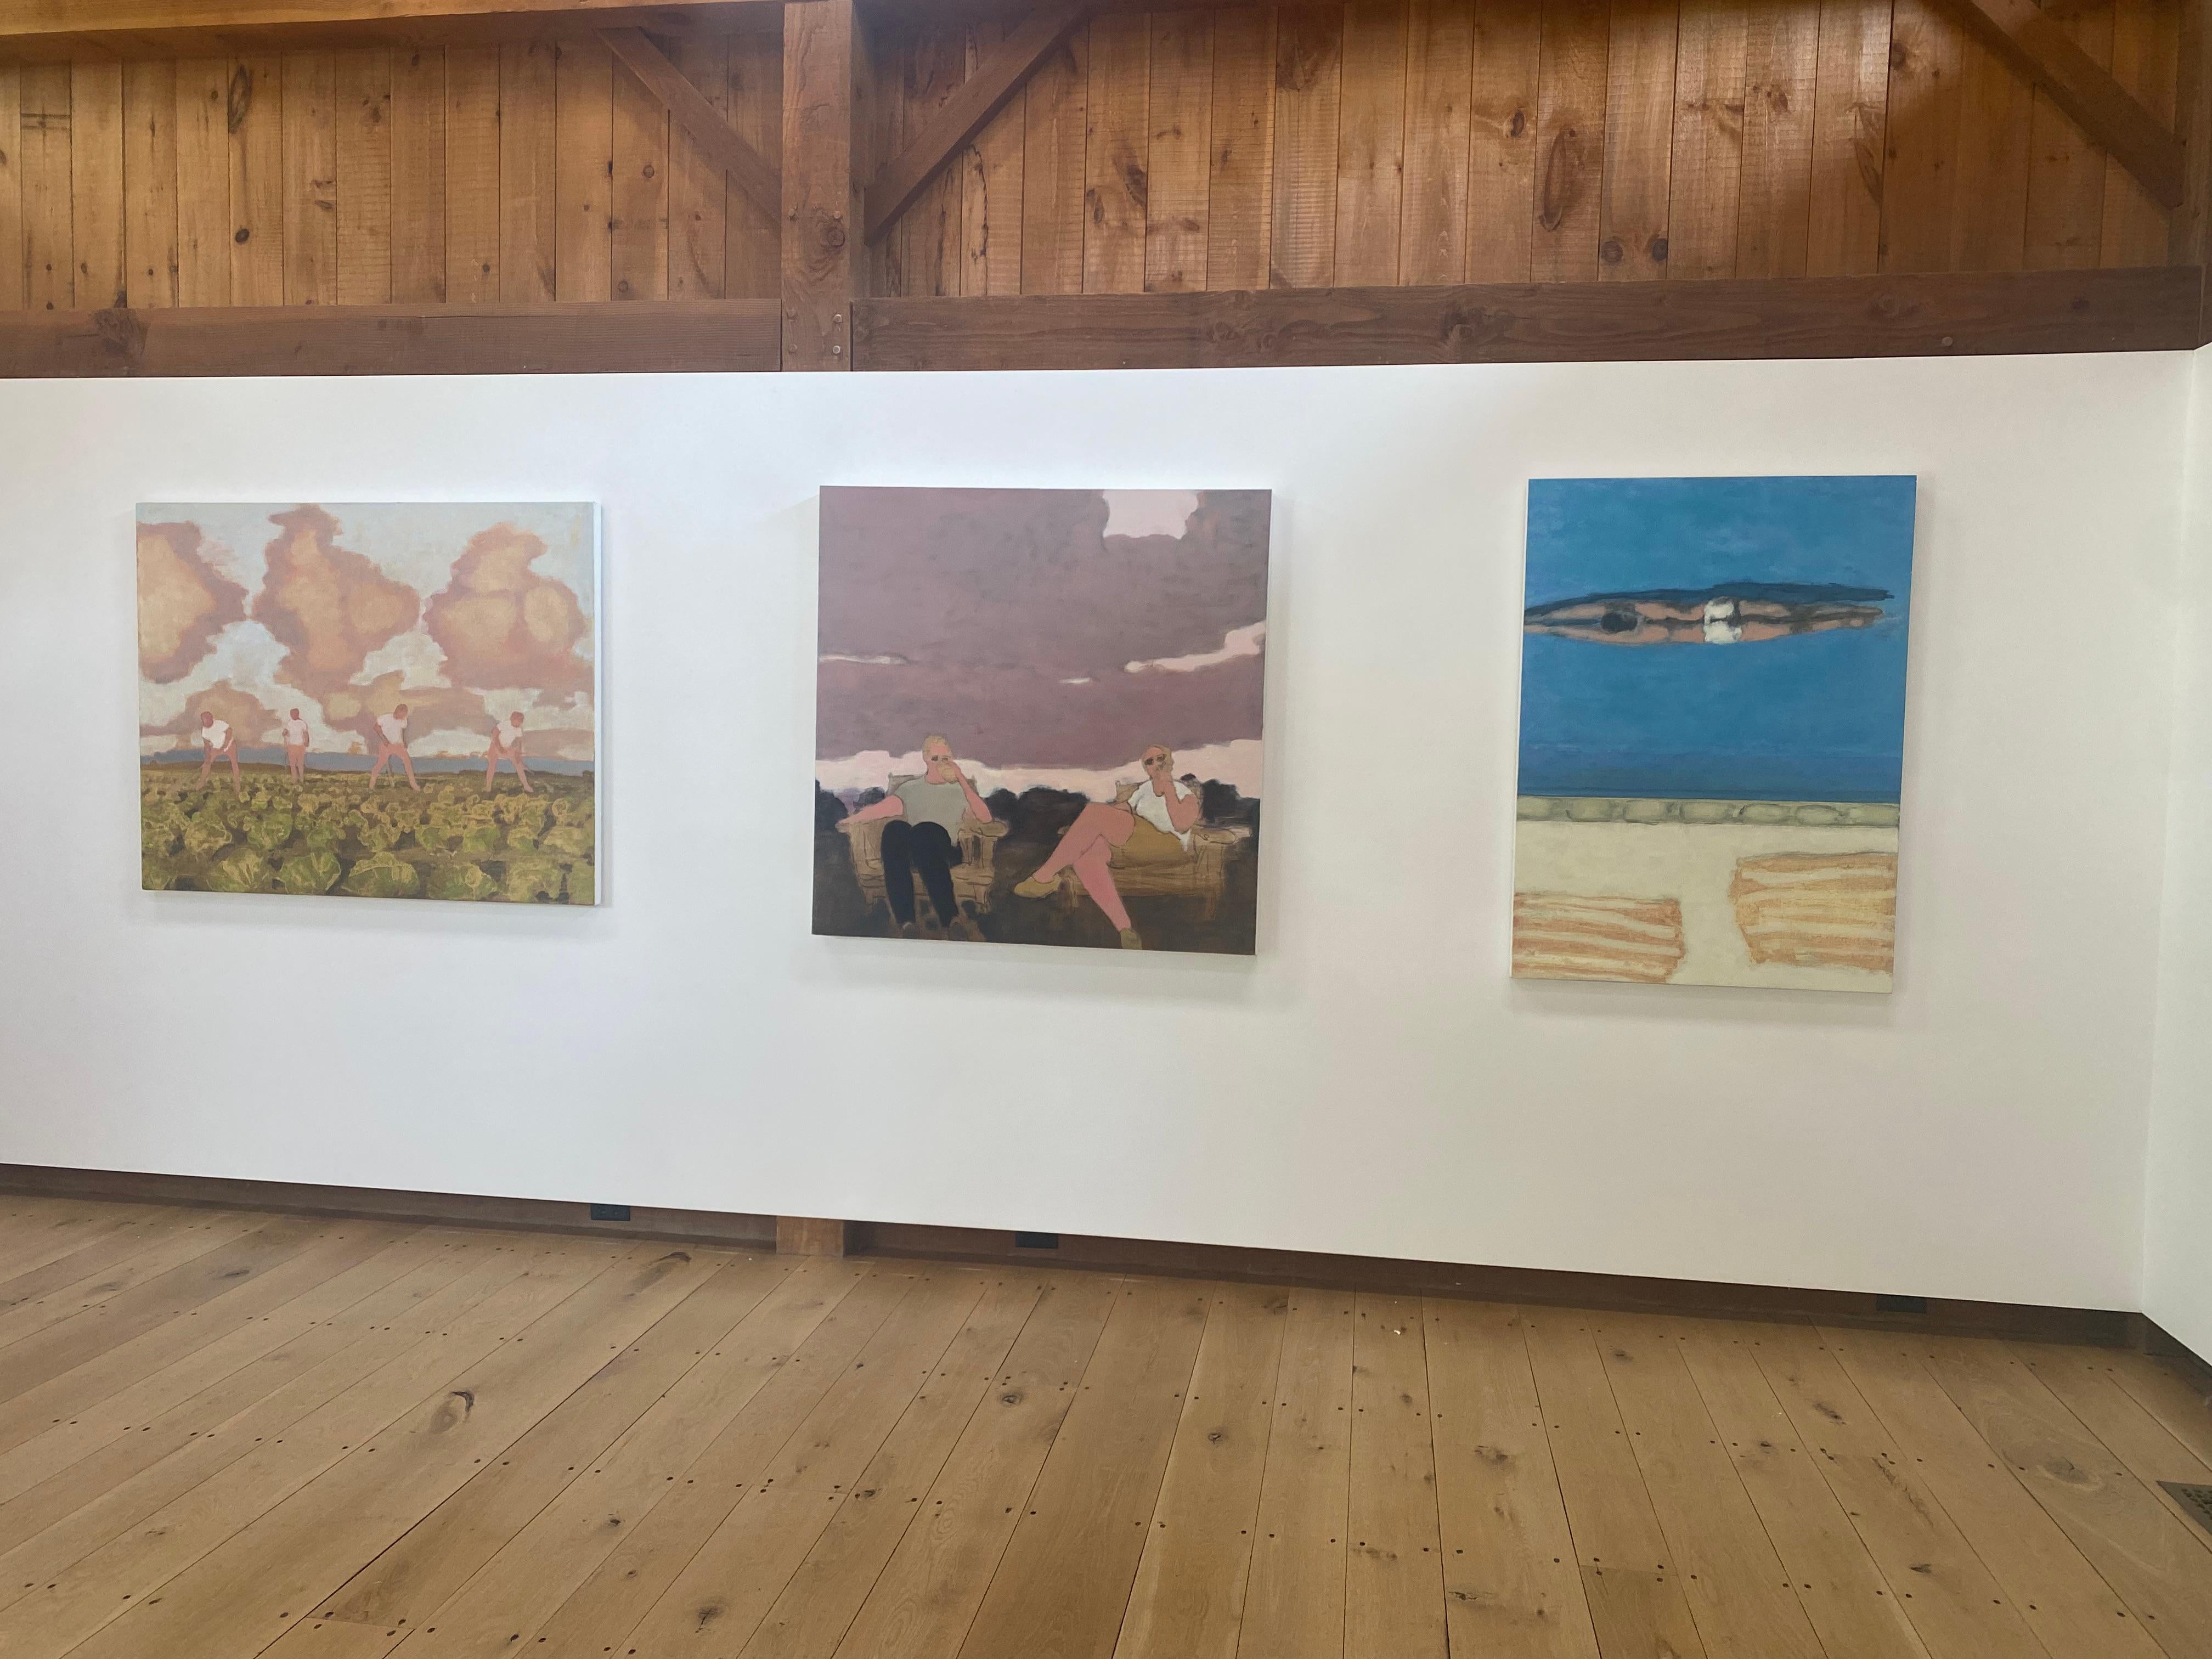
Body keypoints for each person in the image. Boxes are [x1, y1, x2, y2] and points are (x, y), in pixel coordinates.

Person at [1014, 744, 1199, 949]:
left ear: (1170, 761)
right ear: (1146, 768)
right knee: (1086, 857)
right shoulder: (1144, 790)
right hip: (1137, 842)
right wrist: (1085, 827)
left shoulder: (1184, 793)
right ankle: (1125, 929)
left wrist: (1169, 789)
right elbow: (1124, 808)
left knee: (1095, 813)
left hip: (1168, 844)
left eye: (1160, 758)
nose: (1156, 764)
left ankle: (1044, 877)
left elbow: (1182, 825)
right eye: (1150, 761)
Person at [841, 735, 991, 939]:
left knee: (925, 830)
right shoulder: (911, 788)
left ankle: (950, 919)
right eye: (935, 759)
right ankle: (907, 922)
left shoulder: (959, 790)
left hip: (946, 850)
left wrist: (962, 780)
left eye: (946, 759)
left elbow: (985, 818)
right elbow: (882, 809)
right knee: (895, 829)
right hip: (915, 850)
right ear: (926, 759)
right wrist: (849, 821)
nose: (940, 764)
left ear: (952, 760)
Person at [365, 703, 421, 792]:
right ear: (397, 712)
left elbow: (403, 730)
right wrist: (384, 739)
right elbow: (376, 727)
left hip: (398, 745)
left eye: (404, 716)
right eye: (402, 715)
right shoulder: (385, 718)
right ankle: (372, 785)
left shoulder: (404, 720)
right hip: (387, 745)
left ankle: (413, 784)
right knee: (380, 764)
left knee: (407, 761)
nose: (403, 717)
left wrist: (404, 741)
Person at [195, 709, 241, 795]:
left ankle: (237, 785)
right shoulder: (204, 731)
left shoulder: (219, 724)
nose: (206, 722)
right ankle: (201, 782)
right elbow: (207, 745)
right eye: (204, 720)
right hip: (216, 748)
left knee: (234, 764)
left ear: (212, 718)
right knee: (207, 764)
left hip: (230, 745)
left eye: (207, 720)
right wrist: (208, 757)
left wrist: (225, 746)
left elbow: (229, 731)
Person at [484, 712, 533, 794]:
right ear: (513, 719)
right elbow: (494, 732)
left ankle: (526, 786)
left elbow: (519, 743)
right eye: (518, 721)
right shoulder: (505, 724)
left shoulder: (519, 729)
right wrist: (499, 747)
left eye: (521, 721)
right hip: (496, 746)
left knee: (518, 764)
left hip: (507, 748)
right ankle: (488, 787)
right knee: (492, 765)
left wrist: (518, 755)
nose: (520, 723)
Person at [280, 707, 311, 783]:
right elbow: (285, 732)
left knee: (300, 764)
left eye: (293, 714)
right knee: (292, 764)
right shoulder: (289, 723)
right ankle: (295, 779)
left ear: (297, 714)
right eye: (291, 714)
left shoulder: (302, 723)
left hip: (300, 746)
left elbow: (306, 734)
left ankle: (301, 778)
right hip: (291, 745)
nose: (292, 715)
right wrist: (284, 733)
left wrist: (307, 742)